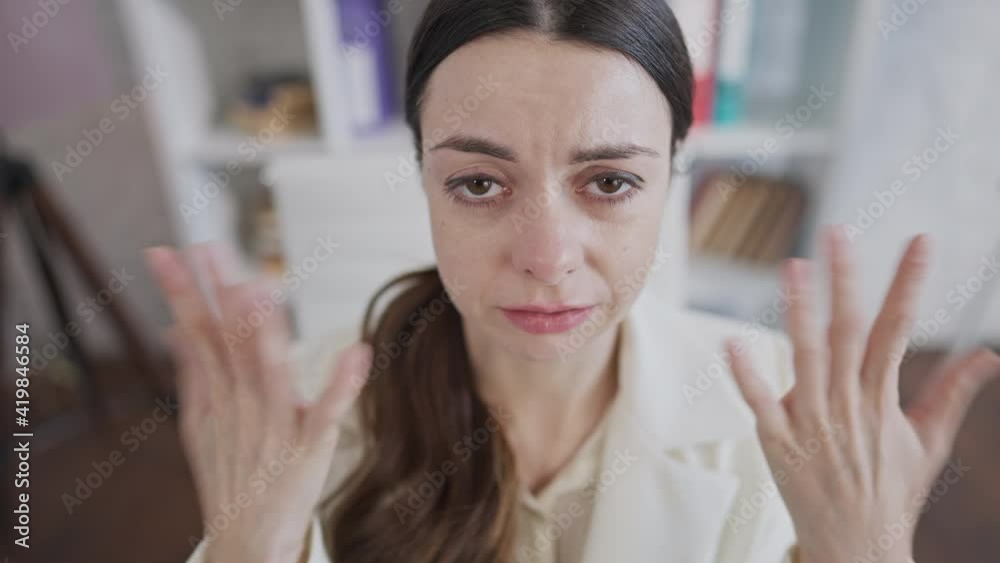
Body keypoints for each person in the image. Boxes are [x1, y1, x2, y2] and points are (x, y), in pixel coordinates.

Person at [144, 1, 1000, 561]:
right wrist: (247, 549)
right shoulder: (291, 411)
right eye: (480, 183)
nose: (547, 257)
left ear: (672, 175)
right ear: (423, 177)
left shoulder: (791, 410)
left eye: (610, 181)